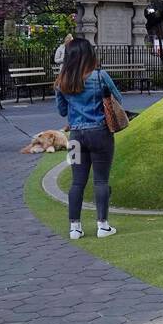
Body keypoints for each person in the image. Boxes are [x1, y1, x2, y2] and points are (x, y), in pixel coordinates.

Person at [55, 39, 123, 240]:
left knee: (77, 183)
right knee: (101, 180)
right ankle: (103, 225)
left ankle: (74, 228)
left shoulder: (62, 80)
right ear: (89, 54)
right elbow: (118, 99)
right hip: (100, 133)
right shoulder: (100, 76)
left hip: (75, 136)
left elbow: (61, 111)